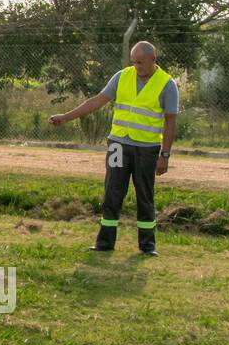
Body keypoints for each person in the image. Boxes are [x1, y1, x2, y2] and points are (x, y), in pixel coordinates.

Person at [49, 41, 178, 256]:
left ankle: (148, 246)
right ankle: (104, 243)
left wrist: (164, 155)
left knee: (145, 195)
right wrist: (66, 117)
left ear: (153, 60)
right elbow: (98, 101)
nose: (137, 67)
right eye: (134, 62)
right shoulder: (122, 76)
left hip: (147, 149)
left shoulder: (167, 84)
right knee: (112, 192)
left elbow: (171, 121)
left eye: (141, 62)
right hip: (118, 144)